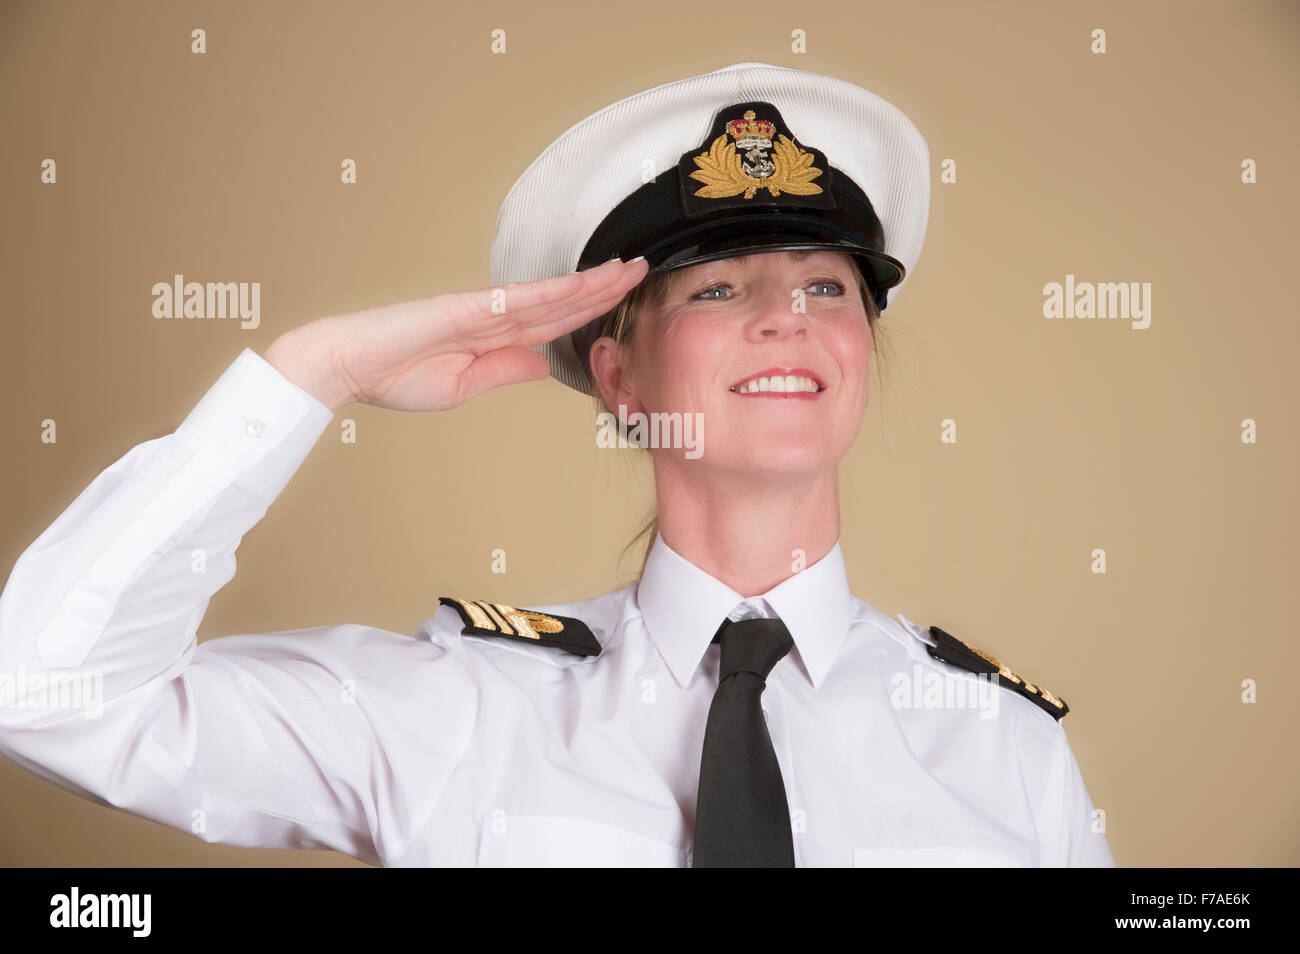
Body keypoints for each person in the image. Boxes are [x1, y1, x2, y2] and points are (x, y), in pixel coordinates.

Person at [0, 61, 1114, 867]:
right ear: (617, 375)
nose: (787, 316)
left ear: (861, 352)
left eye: (827, 285)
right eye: (719, 288)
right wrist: (313, 371)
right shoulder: (462, 707)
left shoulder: (1001, 743)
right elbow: (47, 696)